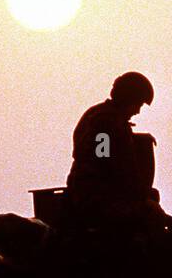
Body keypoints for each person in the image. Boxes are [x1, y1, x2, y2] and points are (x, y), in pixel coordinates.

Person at [66, 71, 165, 233]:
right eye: (138, 105)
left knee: (151, 200)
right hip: (96, 196)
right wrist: (137, 196)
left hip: (101, 192)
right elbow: (102, 160)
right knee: (151, 217)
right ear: (128, 98)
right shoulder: (103, 122)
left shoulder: (104, 117)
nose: (137, 112)